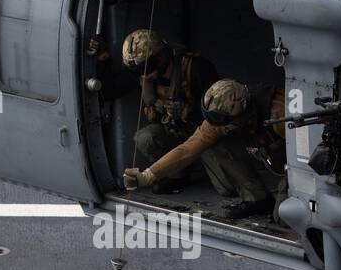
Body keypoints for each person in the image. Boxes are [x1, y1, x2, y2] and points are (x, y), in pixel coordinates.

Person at [125, 78, 287, 218]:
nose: (221, 128)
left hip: (294, 167)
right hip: (266, 155)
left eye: (226, 125)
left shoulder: (279, 115)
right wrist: (148, 175)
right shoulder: (221, 118)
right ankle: (257, 199)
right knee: (219, 149)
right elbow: (188, 149)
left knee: (284, 216)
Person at [97, 28, 219, 194]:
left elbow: (220, 110)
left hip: (205, 133)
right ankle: (177, 176)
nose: (145, 75)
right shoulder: (143, 71)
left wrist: (190, 111)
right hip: (175, 131)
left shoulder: (196, 68)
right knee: (145, 138)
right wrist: (103, 58)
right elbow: (110, 91)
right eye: (140, 71)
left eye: (149, 67)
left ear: (162, 56)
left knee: (226, 188)